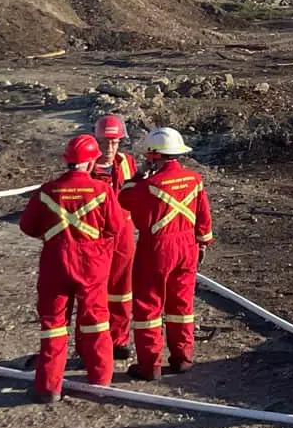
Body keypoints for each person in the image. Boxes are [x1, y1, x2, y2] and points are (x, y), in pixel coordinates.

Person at [19, 134, 131, 402]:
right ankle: (100, 379)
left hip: (55, 263)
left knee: (54, 324)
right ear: (91, 162)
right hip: (91, 264)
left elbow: (27, 226)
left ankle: (49, 387)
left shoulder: (47, 190)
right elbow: (115, 227)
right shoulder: (101, 191)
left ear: (67, 160)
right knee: (96, 320)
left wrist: (55, 234)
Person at [119, 127, 213, 379]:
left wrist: (139, 174)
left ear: (153, 155)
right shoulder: (194, 179)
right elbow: (203, 215)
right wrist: (203, 242)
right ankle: (182, 358)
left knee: (148, 306)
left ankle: (150, 365)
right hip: (188, 246)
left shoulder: (148, 185)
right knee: (181, 304)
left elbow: (123, 197)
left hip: (157, 248)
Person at [94, 115, 139, 361]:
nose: (109, 148)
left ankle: (119, 339)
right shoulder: (87, 166)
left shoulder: (127, 162)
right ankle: (94, 341)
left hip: (123, 232)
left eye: (114, 142)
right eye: (104, 142)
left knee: (123, 288)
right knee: (94, 289)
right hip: (97, 234)